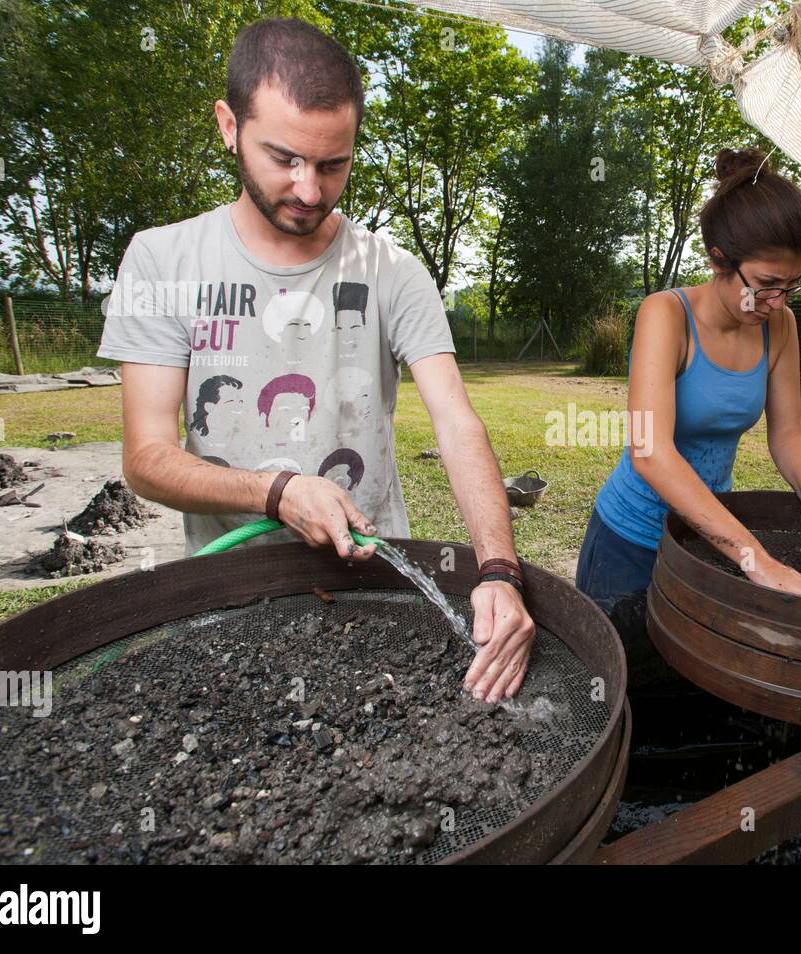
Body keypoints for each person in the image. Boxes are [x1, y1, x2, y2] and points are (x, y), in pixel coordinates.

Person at [96, 17, 532, 705]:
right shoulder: (162, 261)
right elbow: (146, 457)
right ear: (228, 125)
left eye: (334, 164)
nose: (308, 189)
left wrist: (500, 572)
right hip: (231, 596)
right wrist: (276, 492)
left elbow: (456, 422)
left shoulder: (393, 271)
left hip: (375, 584)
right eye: (285, 158)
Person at [575, 147, 801, 683]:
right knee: (612, 689)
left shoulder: (781, 326)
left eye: (793, 285)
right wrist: (758, 562)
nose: (778, 301)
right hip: (629, 541)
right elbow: (651, 451)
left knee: (689, 685)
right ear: (717, 258)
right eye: (766, 284)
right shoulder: (666, 314)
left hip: (704, 536)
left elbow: (789, 432)